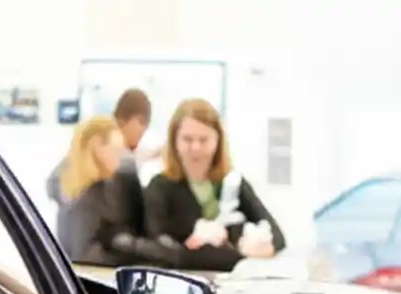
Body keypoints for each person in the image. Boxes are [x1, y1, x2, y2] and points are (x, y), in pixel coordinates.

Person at [144, 98, 285, 272]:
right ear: (174, 141)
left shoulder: (233, 182)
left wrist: (261, 248)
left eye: (203, 140)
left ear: (218, 141)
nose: (195, 148)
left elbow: (277, 236)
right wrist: (237, 254)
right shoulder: (160, 187)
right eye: (187, 139)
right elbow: (157, 245)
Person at [54, 115, 184, 267]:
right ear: (97, 146)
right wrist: (135, 259)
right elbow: (85, 255)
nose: (121, 157)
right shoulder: (86, 196)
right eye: (116, 150)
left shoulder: (94, 187)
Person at [47, 88, 152, 240]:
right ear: (136, 120)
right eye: (144, 125)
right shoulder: (109, 148)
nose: (143, 133)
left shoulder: (119, 154)